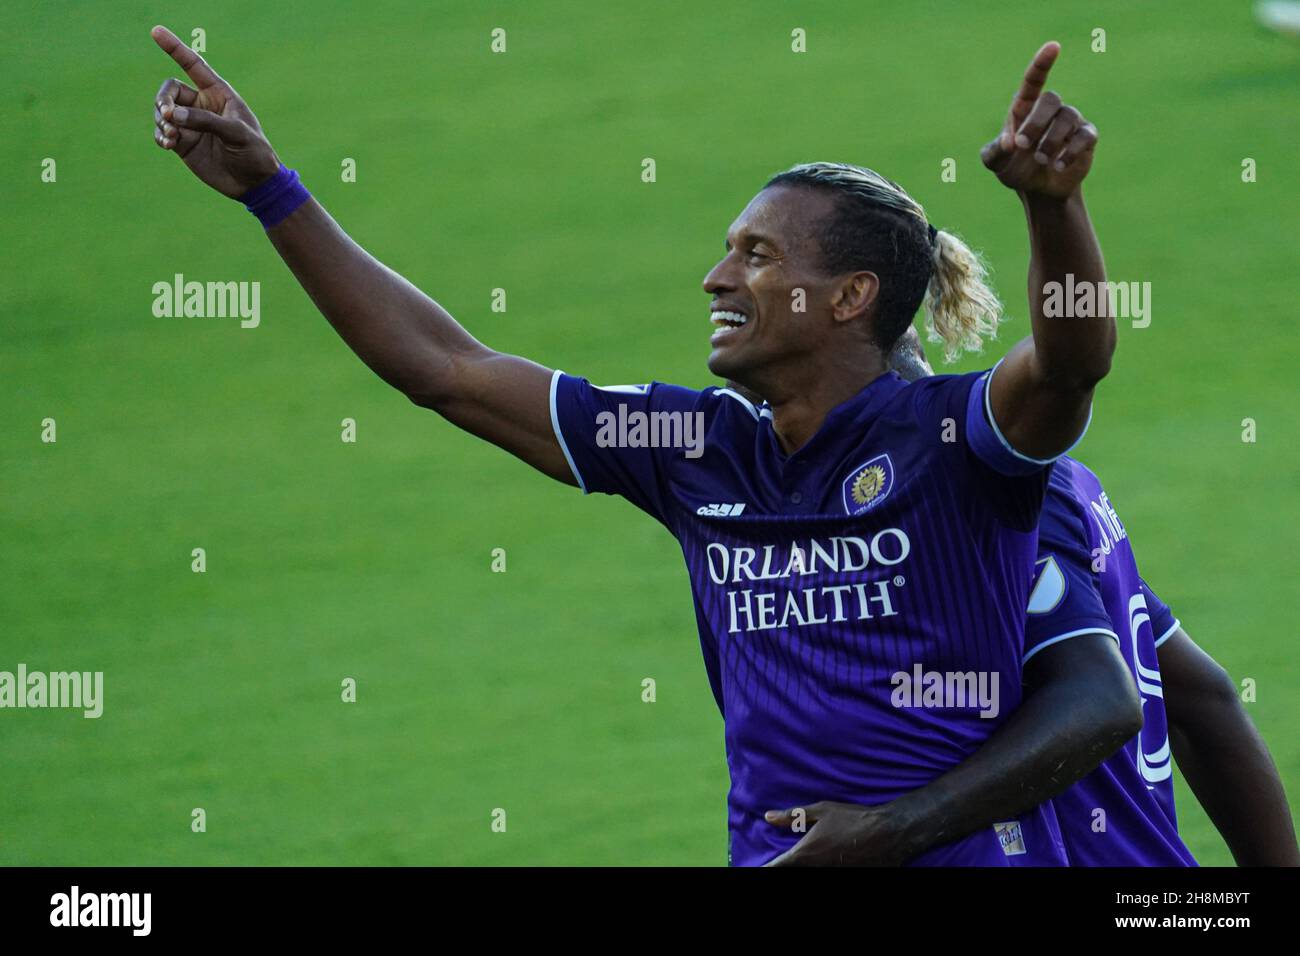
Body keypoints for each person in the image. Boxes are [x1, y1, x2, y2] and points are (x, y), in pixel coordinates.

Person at [151, 27, 1115, 865]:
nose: (714, 277)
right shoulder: (690, 446)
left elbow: (1072, 361)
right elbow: (440, 366)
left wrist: (1051, 206)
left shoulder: (954, 438)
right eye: (729, 248)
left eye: (757, 255)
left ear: (850, 296)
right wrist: (271, 192)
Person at [760, 331, 1298, 866]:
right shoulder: (1050, 476)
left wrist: (892, 829)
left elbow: (1105, 702)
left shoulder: (977, 505)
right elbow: (1201, 696)